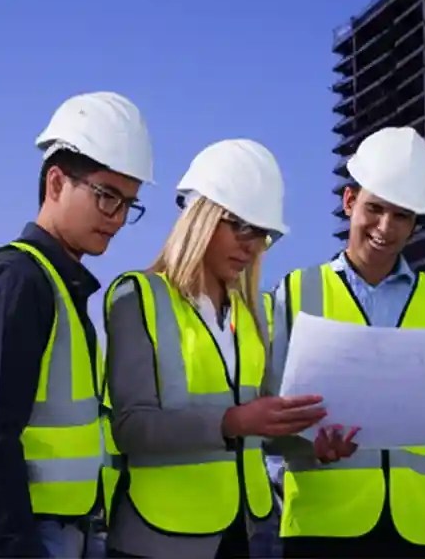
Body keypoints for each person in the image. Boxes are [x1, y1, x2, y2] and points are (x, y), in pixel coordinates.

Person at [0, 91, 155, 558]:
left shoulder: (60, 289)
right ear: (56, 182)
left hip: (35, 533)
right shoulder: (15, 281)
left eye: (129, 204)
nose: (119, 218)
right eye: (107, 197)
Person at [100, 139, 326, 559]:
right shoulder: (138, 297)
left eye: (262, 234)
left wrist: (313, 448)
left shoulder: (255, 316)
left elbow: (260, 435)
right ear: (201, 217)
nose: (252, 245)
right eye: (240, 226)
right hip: (158, 536)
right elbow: (129, 427)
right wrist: (232, 421)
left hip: (243, 533)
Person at [265, 126, 425, 558]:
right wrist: (303, 450)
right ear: (349, 201)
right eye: (375, 208)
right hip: (324, 526)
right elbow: (268, 415)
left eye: (402, 216)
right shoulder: (297, 292)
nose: (385, 227)